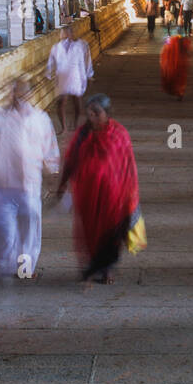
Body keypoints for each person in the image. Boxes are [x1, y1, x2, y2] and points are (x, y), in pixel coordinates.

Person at [0, 77, 59, 279]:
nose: (18, 97)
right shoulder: (0, 117)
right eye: (15, 92)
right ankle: (6, 263)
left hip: (30, 185)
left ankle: (24, 269)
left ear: (30, 95)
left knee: (28, 230)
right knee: (6, 229)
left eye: (22, 93)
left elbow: (50, 149)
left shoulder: (41, 119)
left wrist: (52, 172)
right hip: (4, 185)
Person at [57, 94, 139, 286]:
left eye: (96, 113)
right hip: (88, 194)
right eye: (89, 114)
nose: (92, 117)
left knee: (110, 231)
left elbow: (128, 165)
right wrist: (62, 184)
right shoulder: (82, 135)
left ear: (107, 113)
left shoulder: (119, 134)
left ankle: (107, 267)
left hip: (114, 194)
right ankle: (95, 264)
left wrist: (131, 194)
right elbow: (70, 161)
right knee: (91, 231)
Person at [46, 23, 94, 132]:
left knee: (77, 102)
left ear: (72, 34)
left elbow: (87, 60)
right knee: (62, 102)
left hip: (76, 75)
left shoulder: (81, 45)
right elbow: (51, 61)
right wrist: (49, 73)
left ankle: (76, 125)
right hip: (62, 75)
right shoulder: (57, 47)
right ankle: (64, 127)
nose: (66, 35)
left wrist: (89, 74)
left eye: (68, 32)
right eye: (64, 33)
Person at [160, 31, 189, 98]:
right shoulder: (183, 43)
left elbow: (164, 51)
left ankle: (177, 91)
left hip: (173, 65)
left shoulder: (170, 43)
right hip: (181, 64)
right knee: (181, 79)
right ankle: (180, 91)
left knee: (174, 78)